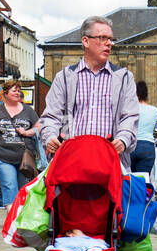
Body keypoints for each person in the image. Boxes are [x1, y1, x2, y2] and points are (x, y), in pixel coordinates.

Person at [37, 15, 138, 172]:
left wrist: (123, 140)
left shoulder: (124, 78)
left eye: (111, 39)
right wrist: (50, 138)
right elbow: (51, 116)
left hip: (111, 163)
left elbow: (130, 116)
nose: (109, 43)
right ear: (85, 41)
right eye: (102, 38)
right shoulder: (64, 77)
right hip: (72, 162)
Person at [0, 80, 39, 212]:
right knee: (9, 185)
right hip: (3, 156)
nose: (18, 93)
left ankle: (20, 218)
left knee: (24, 189)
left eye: (19, 91)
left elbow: (38, 128)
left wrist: (27, 132)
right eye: (14, 90)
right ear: (5, 94)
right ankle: (12, 220)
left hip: (25, 158)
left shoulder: (29, 111)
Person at [130, 81, 157, 174]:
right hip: (148, 146)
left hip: (131, 144)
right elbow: (153, 128)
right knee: (144, 180)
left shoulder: (130, 109)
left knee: (130, 180)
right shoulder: (155, 111)